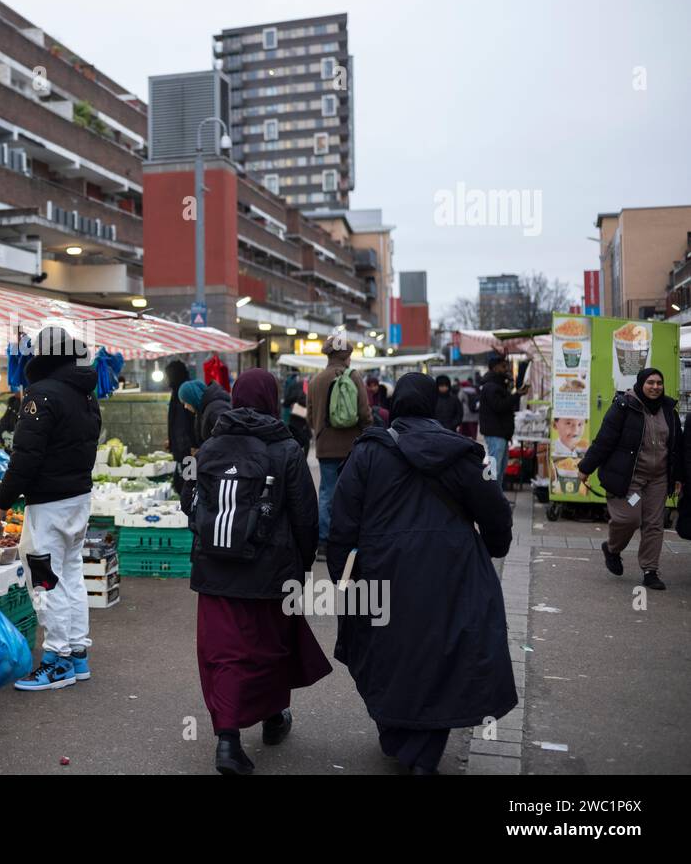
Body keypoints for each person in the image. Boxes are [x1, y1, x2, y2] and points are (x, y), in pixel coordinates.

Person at [327, 373, 516, 774]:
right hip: (452, 570)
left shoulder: (367, 452)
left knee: (386, 651)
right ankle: (425, 754)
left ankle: (399, 735)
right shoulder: (464, 453)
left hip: (382, 569)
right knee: (444, 654)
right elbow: (495, 511)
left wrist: (341, 578)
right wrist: (495, 548)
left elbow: (342, 520)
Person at [185, 369, 331, 775]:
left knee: (225, 655)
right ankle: (272, 718)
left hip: (215, 573)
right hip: (269, 575)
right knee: (269, 650)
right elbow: (306, 515)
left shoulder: (211, 444)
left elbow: (189, 500)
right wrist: (301, 566)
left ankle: (228, 741)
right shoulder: (285, 448)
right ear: (271, 399)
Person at [0, 327, 102, 691]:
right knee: (70, 576)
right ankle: (76, 653)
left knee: (45, 581)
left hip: (49, 507)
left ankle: (55, 662)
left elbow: (25, 457)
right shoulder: (87, 395)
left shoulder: (40, 396)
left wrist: (2, 504)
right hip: (78, 501)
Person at [578, 368, 682, 591]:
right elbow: (604, 439)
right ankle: (613, 549)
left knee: (654, 524)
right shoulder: (624, 406)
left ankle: (650, 570)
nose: (655, 387)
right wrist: (585, 468)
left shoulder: (668, 410)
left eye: (659, 383)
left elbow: (677, 447)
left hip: (658, 479)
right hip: (630, 478)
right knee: (629, 519)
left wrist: (678, 476)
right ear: (640, 384)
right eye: (650, 383)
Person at [306, 329, 373, 548]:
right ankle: (348, 539)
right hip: (351, 447)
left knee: (326, 492)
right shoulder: (353, 377)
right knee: (352, 493)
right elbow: (364, 413)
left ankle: (324, 541)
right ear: (346, 356)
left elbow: (309, 417)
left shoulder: (315, 381)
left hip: (325, 447)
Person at [478, 356, 526, 484]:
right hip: (495, 432)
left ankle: (496, 498)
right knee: (494, 469)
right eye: (504, 366)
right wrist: (517, 395)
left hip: (501, 432)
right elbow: (499, 406)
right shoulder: (491, 386)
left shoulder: (499, 384)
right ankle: (489, 497)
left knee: (500, 468)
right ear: (495, 367)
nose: (507, 369)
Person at [165, 360, 194, 494]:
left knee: (187, 484)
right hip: (183, 449)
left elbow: (184, 423)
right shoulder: (177, 390)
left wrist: (183, 446)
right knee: (182, 483)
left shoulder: (184, 391)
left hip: (187, 451)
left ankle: (188, 511)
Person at [179, 378, 231, 449]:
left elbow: (227, 440)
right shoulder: (203, 410)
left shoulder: (216, 408)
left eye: (186, 402)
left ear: (192, 398)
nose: (185, 406)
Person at [282, 369, 312, 454]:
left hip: (296, 420)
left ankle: (299, 460)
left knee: (298, 441)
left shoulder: (295, 386)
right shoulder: (305, 386)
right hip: (302, 420)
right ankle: (303, 460)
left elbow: (286, 402)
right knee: (305, 441)